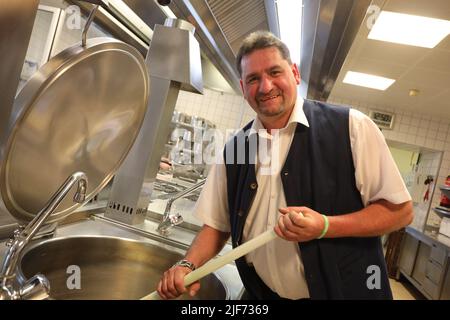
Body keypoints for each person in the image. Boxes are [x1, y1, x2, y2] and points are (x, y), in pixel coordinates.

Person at [156, 31, 413, 300]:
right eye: (253, 79)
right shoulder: (236, 147)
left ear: (295, 74)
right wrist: (188, 264)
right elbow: (217, 226)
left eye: (274, 72)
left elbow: (400, 211)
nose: (265, 87)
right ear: (243, 89)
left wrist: (326, 225)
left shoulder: (351, 128)